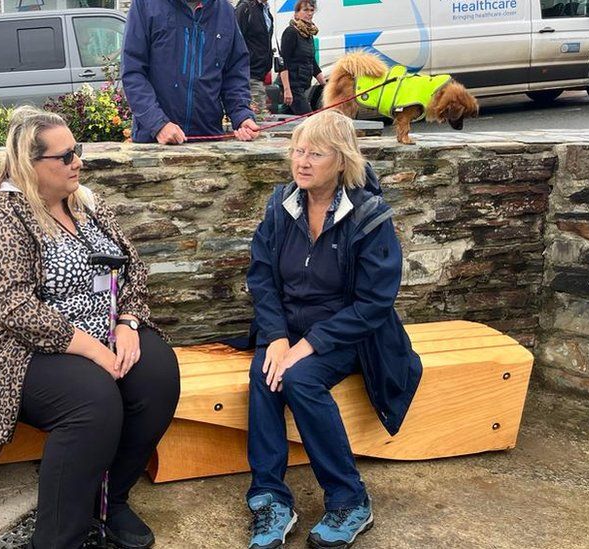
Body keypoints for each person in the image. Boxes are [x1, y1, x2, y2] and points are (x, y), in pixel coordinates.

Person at [0, 107, 180, 549]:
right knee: (93, 401)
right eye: (65, 156)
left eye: (77, 151)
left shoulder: (83, 200)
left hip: (101, 327)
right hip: (14, 349)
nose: (77, 162)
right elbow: (14, 307)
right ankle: (57, 538)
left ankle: (110, 501)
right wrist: (90, 349)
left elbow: (132, 267)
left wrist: (127, 322)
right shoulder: (3, 216)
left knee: (158, 375)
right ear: (30, 166)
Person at [244, 110, 422, 549]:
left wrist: (310, 344)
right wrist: (276, 336)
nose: (302, 162)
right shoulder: (282, 204)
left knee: (299, 379)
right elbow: (262, 275)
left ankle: (350, 500)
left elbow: (375, 302)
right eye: (298, 151)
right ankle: (270, 497)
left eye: (315, 154)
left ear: (341, 161)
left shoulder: (369, 216)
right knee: (265, 371)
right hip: (289, 328)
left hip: (350, 334)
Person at [122, 0, 261, 144]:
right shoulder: (145, 4)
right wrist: (158, 124)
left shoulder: (225, 11)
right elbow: (133, 72)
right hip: (153, 142)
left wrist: (242, 116)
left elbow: (234, 74)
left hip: (207, 141)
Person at [278, 0, 326, 116]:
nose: (309, 13)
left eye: (311, 10)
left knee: (288, 120)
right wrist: (287, 90)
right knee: (309, 119)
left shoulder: (308, 34)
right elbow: (283, 62)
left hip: (302, 85)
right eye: (305, 10)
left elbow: (312, 63)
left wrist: (325, 85)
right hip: (292, 86)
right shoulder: (291, 32)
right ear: (296, 14)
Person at [235, 0, 275, 116]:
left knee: (259, 120)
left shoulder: (266, 12)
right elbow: (235, 41)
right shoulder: (245, 9)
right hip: (248, 74)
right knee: (258, 121)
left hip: (260, 75)